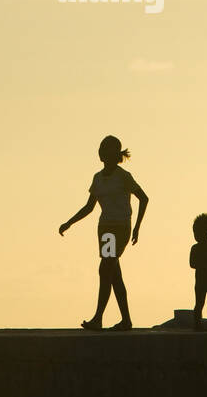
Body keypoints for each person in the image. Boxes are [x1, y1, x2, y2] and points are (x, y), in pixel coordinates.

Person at [58, 135, 148, 331]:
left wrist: (137, 227)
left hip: (121, 227)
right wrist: (69, 223)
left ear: (113, 154)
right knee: (113, 273)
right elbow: (89, 207)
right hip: (105, 229)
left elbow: (144, 198)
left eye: (104, 149)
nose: (100, 152)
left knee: (105, 267)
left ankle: (98, 318)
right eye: (100, 149)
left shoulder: (123, 176)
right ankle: (126, 320)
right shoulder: (97, 178)